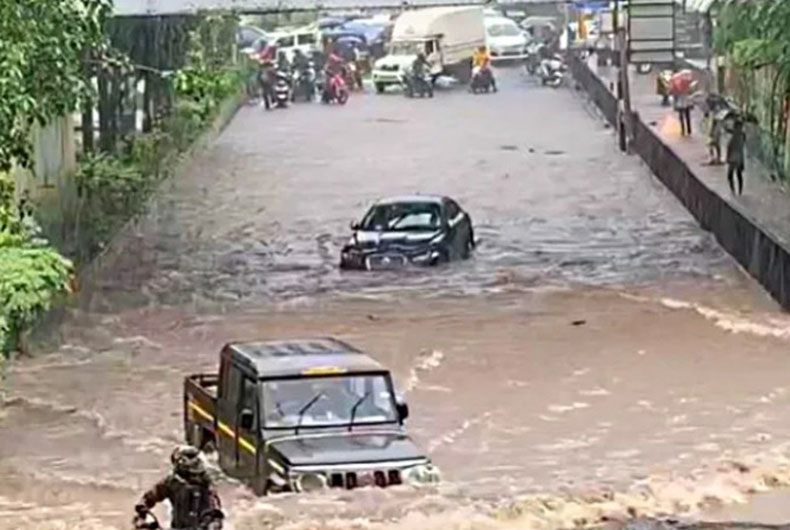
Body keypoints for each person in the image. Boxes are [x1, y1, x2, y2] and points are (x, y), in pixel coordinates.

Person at [134, 445, 224, 530]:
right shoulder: (172, 482)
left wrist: (213, 523)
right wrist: (142, 510)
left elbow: (215, 509)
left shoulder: (206, 484)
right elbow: (151, 495)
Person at [726, 118, 746, 195]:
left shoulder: (735, 136)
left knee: (730, 175)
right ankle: (739, 191)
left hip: (734, 157)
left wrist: (728, 157)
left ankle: (733, 190)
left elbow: (730, 147)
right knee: (738, 174)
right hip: (739, 157)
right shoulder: (742, 135)